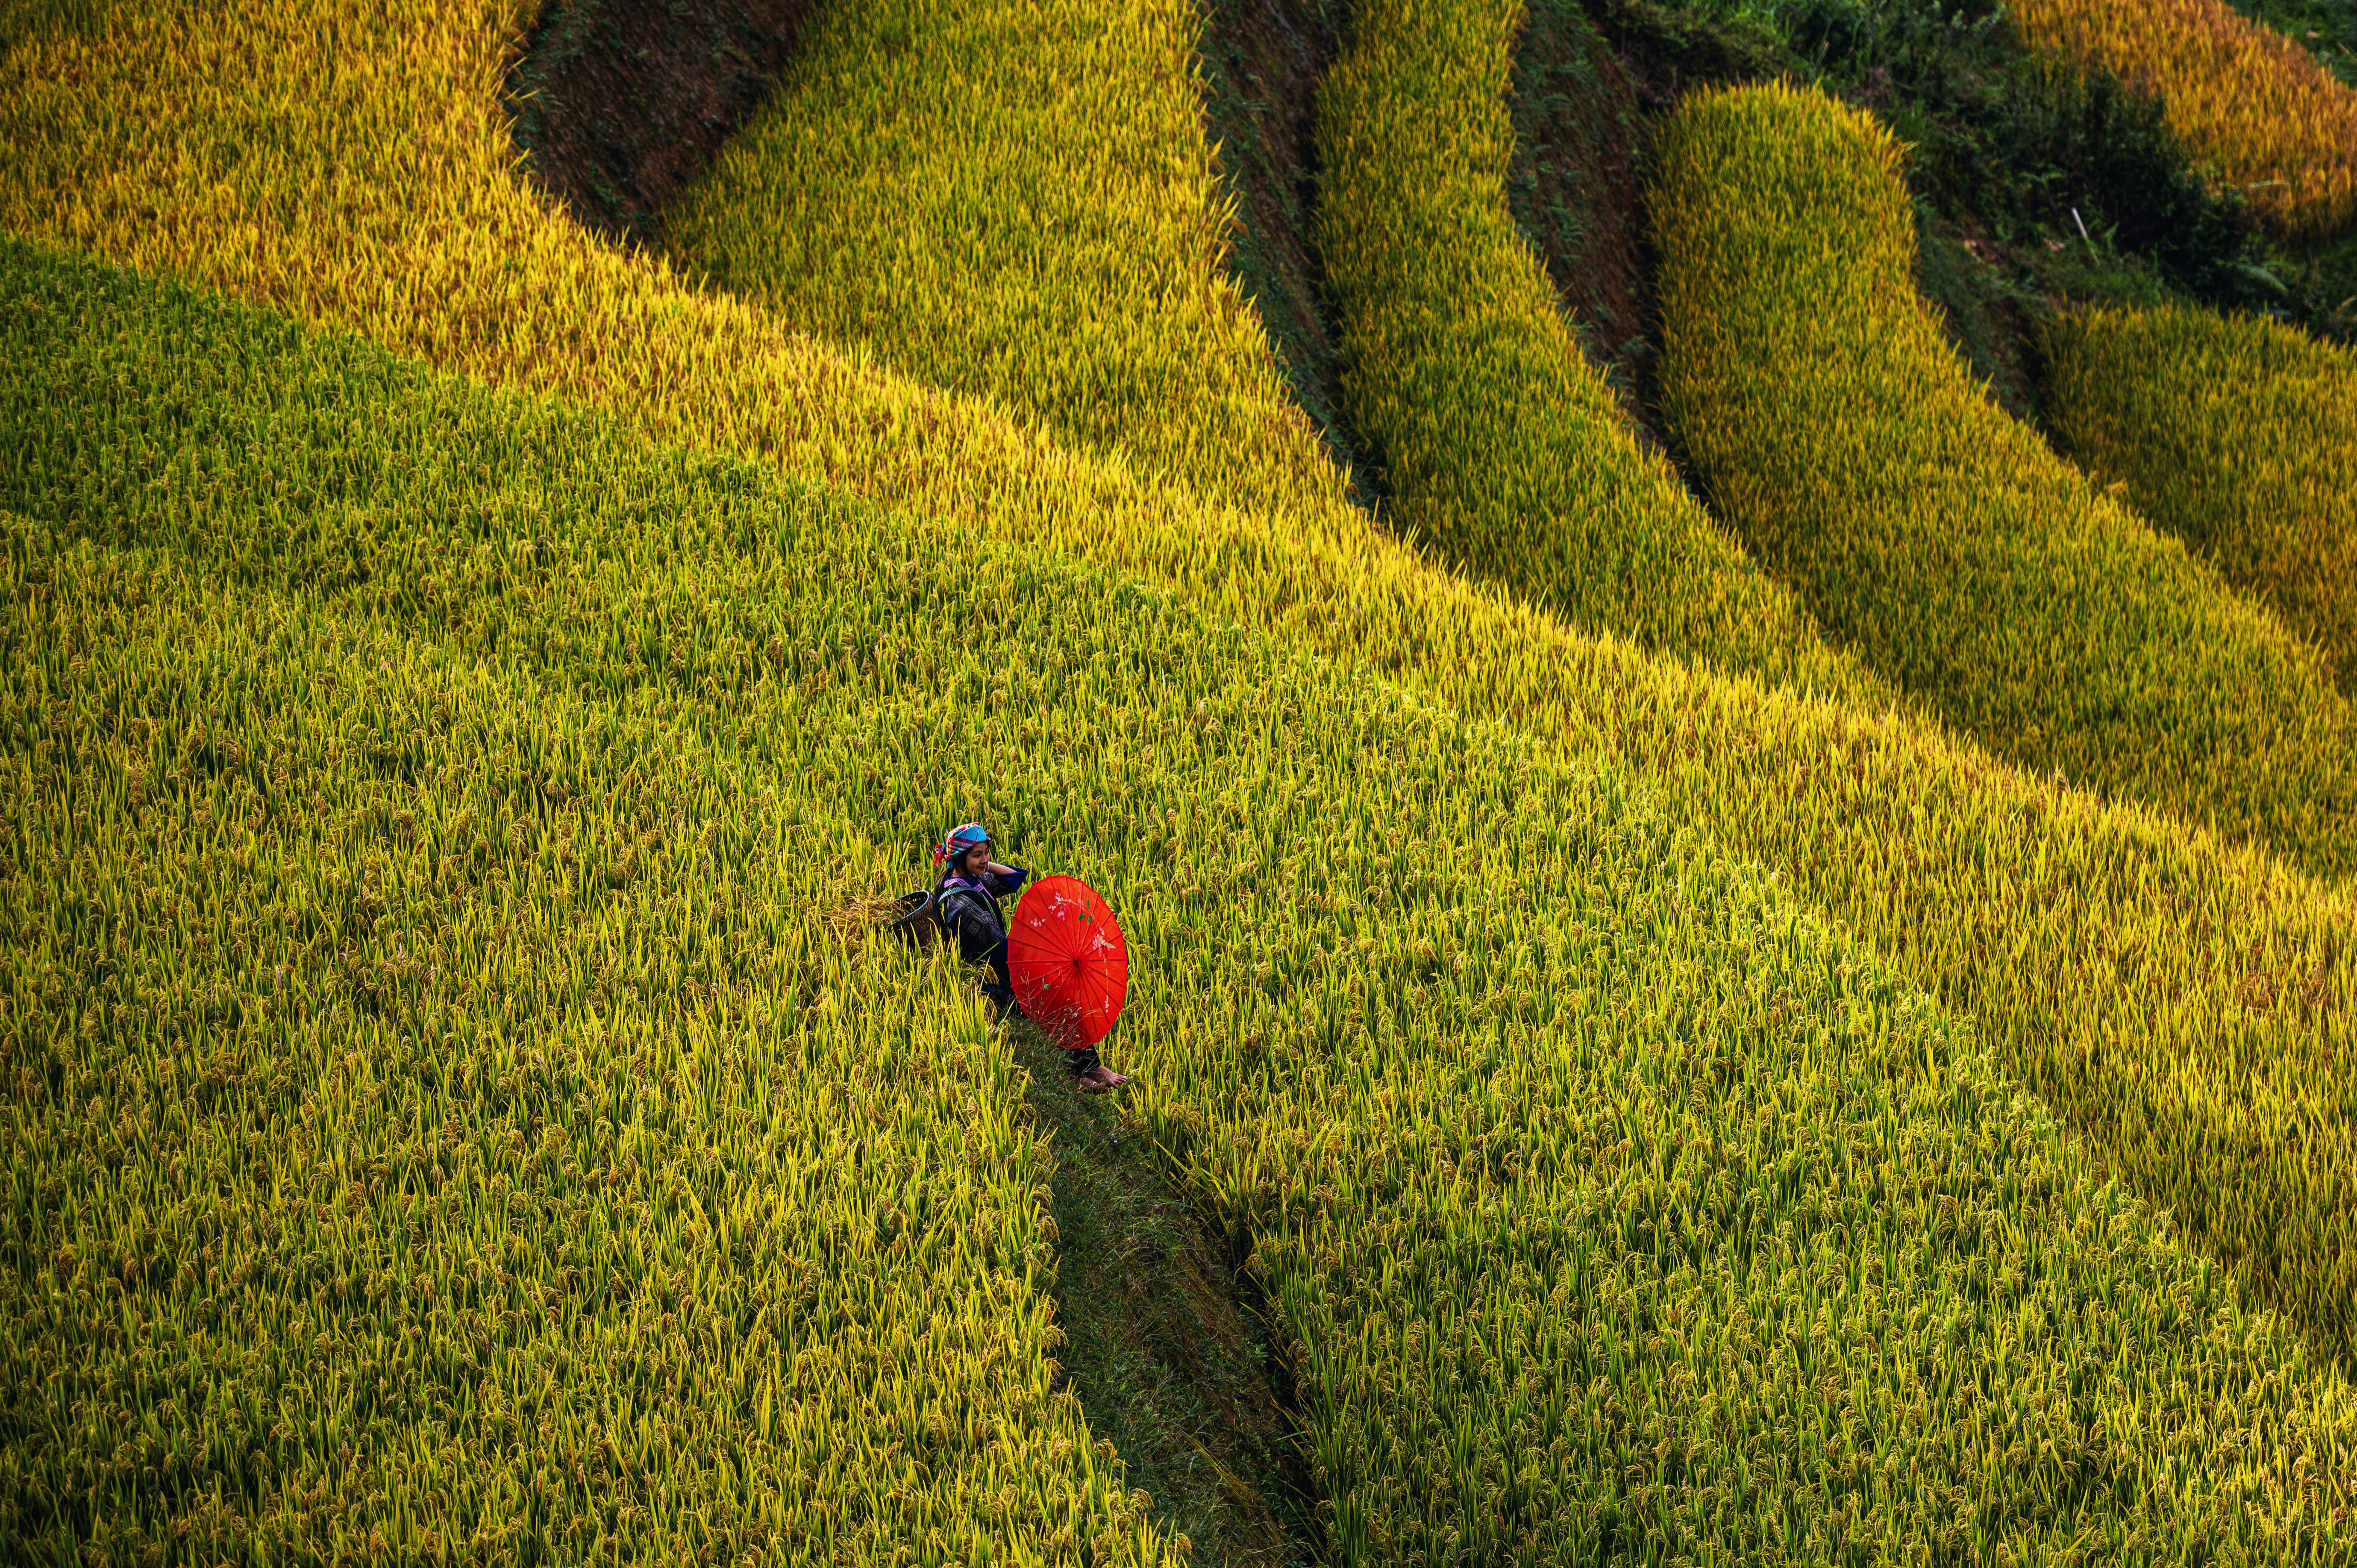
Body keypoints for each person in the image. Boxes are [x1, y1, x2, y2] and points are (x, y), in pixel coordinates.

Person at [932, 823, 1128, 1093]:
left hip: (998, 963)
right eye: (978, 855)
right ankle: (1076, 1074)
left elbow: (1015, 878)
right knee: (1051, 995)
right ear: (959, 859)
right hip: (989, 980)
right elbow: (1000, 949)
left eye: (987, 853)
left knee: (1056, 987)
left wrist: (983, 865)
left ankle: (1090, 1064)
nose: (986, 860)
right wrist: (1041, 960)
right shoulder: (961, 903)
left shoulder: (969, 879)